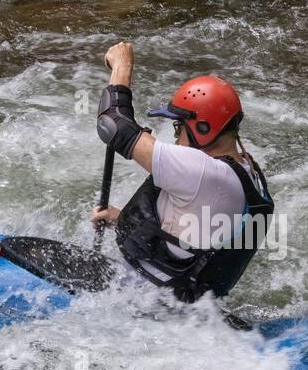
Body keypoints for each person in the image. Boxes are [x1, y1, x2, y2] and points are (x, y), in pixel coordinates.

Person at [91, 41, 274, 302]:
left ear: (202, 129)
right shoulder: (248, 172)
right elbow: (194, 237)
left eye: (179, 129)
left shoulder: (201, 170)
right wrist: (124, 220)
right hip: (184, 309)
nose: (176, 139)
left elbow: (112, 126)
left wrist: (122, 66)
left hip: (141, 301)